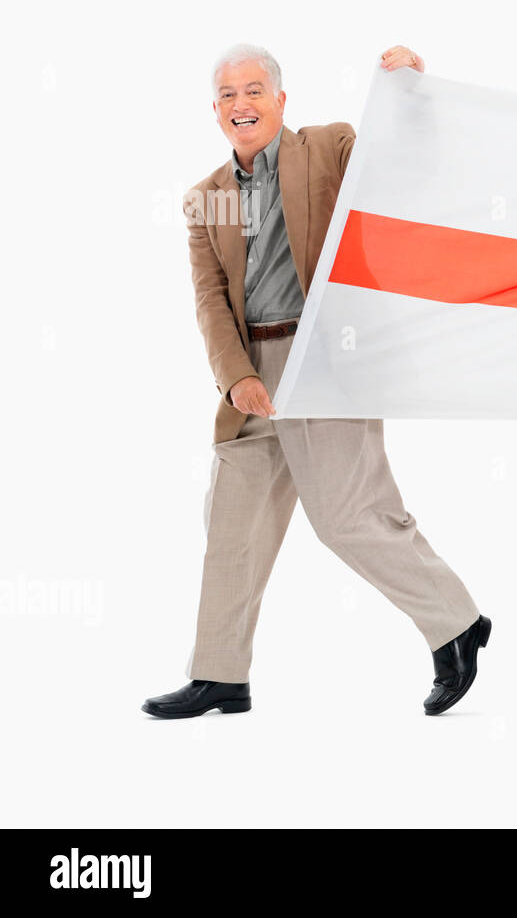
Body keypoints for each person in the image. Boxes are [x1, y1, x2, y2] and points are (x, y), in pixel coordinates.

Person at [143, 43, 491, 719]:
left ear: (279, 99)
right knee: (232, 524)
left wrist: (409, 95)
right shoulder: (205, 199)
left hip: (325, 358)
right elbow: (211, 301)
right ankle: (220, 675)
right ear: (214, 110)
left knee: (347, 517)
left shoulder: (328, 148)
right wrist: (236, 377)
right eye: (226, 95)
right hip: (252, 379)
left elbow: (403, 171)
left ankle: (456, 623)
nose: (240, 104)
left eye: (253, 90)